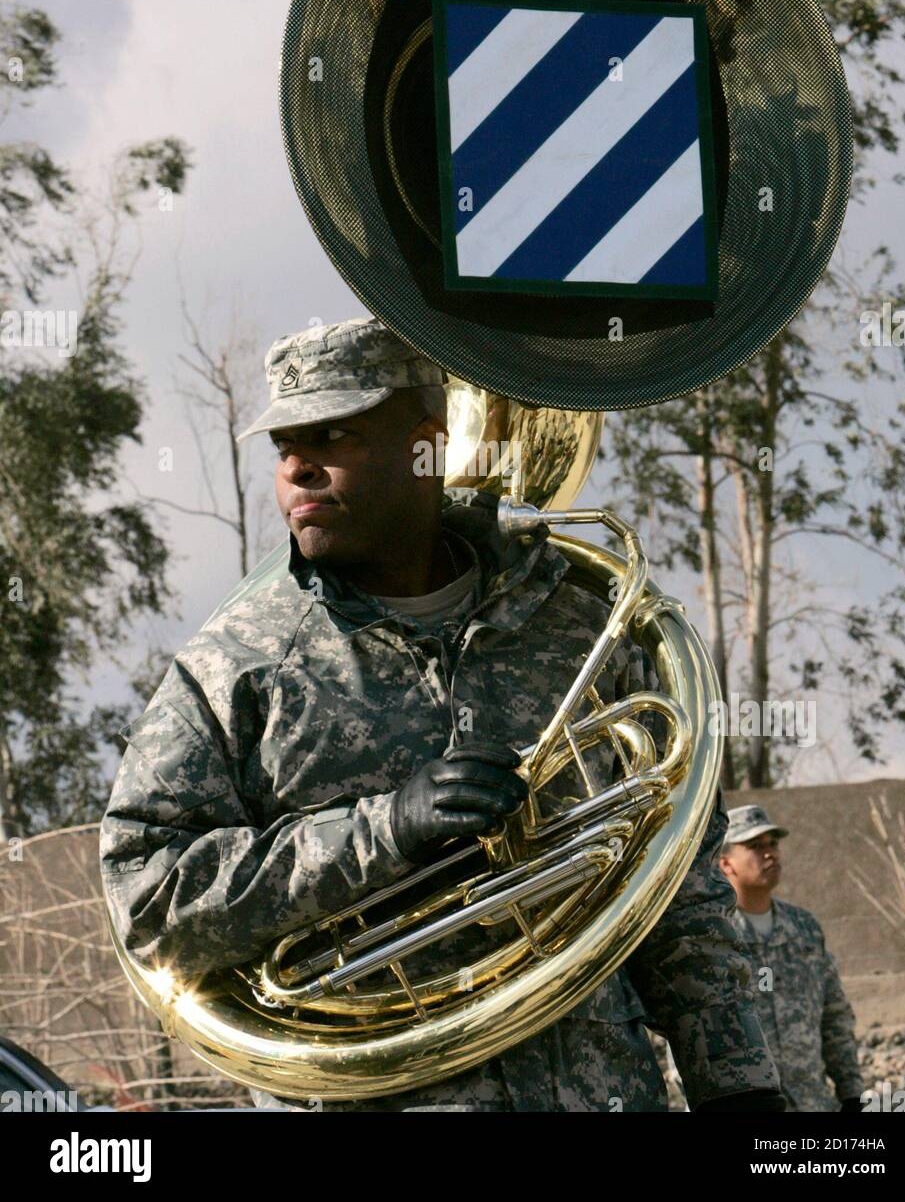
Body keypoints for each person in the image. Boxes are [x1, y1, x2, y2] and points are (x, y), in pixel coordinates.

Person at [100, 315, 783, 1113]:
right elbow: (148, 899)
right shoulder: (234, 665)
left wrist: (741, 1089)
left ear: (427, 443)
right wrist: (382, 830)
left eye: (333, 436)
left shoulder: (578, 622)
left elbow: (679, 887)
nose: (298, 471)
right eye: (284, 446)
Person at [720, 804, 865, 1113]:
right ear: (725, 863)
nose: (770, 853)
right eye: (756, 846)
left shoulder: (804, 928)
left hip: (814, 1104)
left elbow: (834, 1015)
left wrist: (851, 1092)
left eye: (773, 844)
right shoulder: (713, 937)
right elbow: (687, 1032)